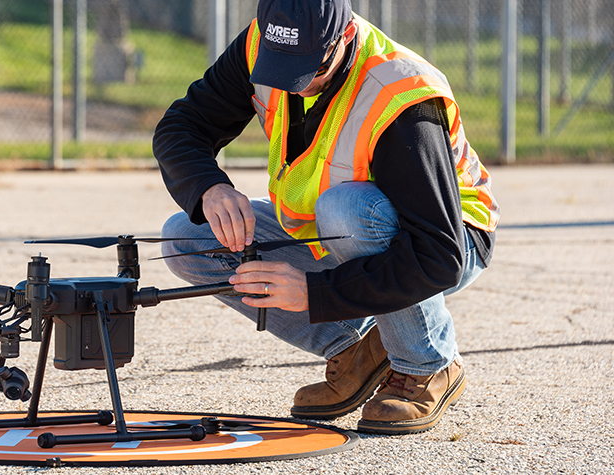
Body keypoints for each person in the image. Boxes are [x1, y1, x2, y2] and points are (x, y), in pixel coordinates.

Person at [152, 0, 499, 435]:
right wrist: (209, 187)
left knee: (348, 211)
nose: (293, 88)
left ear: (345, 39)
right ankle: (358, 349)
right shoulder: (262, 43)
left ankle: (426, 365)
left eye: (306, 72)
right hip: (329, 227)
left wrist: (316, 293)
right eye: (280, 70)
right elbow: (181, 125)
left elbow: (437, 256)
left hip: (451, 236)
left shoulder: (400, 93)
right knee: (187, 237)